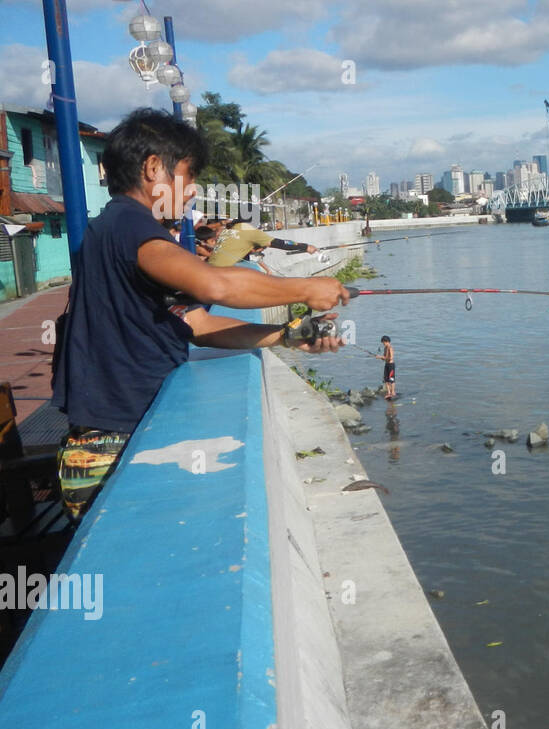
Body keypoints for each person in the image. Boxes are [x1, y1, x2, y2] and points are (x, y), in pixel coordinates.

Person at [50, 108, 347, 521]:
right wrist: (306, 288)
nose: (191, 192)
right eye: (187, 177)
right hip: (112, 447)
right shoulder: (132, 227)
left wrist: (287, 334)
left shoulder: (117, 228)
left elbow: (199, 325)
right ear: (154, 168)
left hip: (122, 433)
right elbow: (215, 286)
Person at [208, 220, 319, 268]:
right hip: (219, 275)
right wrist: (306, 247)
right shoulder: (248, 230)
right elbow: (281, 243)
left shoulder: (228, 230)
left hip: (208, 268)